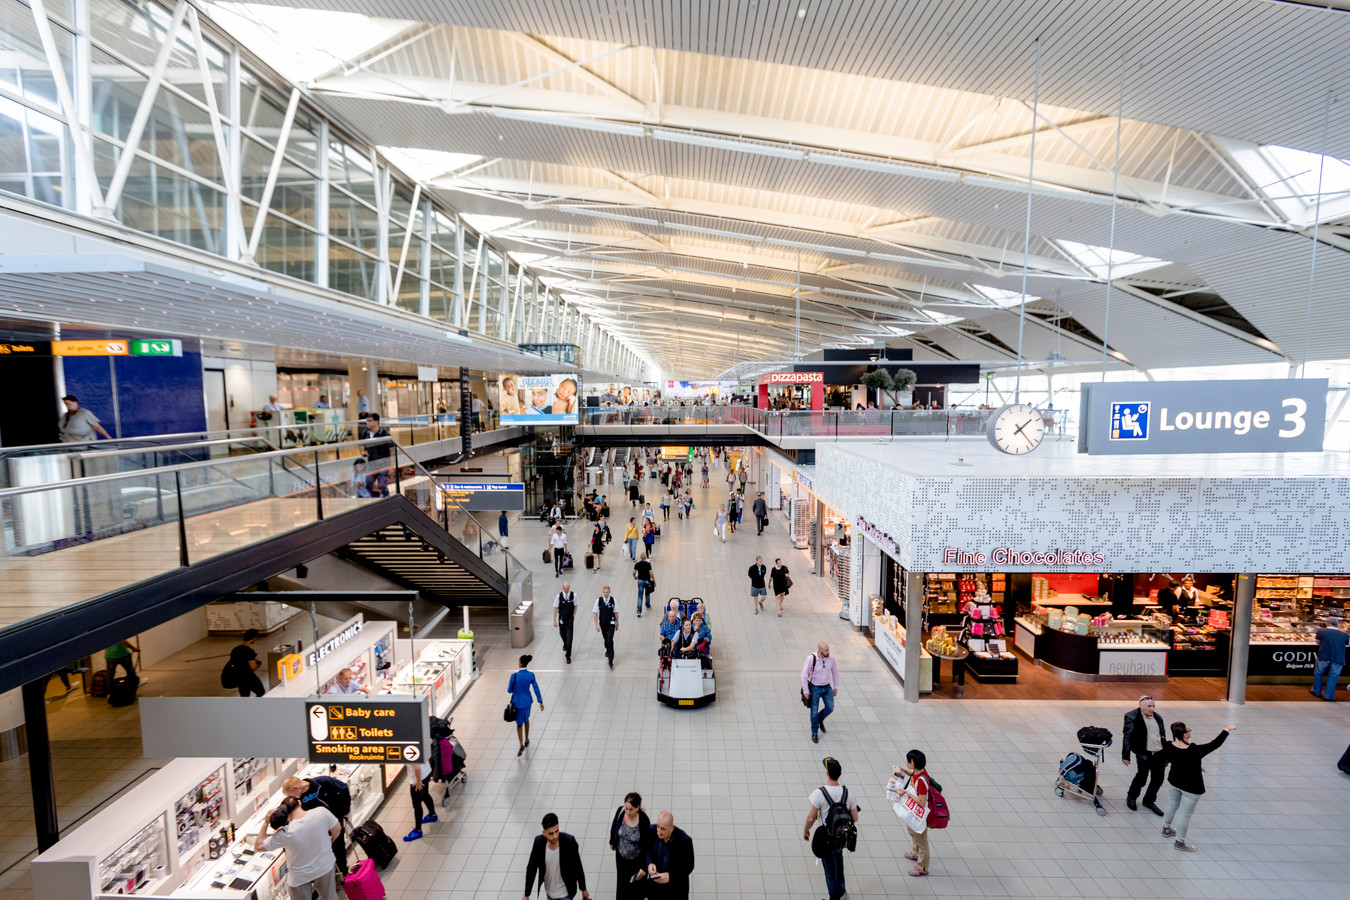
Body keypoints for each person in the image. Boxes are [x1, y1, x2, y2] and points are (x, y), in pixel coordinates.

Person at [1159, 721, 1238, 851]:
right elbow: (1215, 744)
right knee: (1185, 814)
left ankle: (1166, 828)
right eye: (1188, 730)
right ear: (1184, 735)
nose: (1190, 731)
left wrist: (1195, 765)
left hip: (1174, 781)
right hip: (1191, 787)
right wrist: (1227, 729)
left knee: (1172, 803)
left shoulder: (1168, 746)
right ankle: (1179, 842)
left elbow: (1168, 758)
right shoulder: (1195, 751)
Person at [255, 797, 341, 900]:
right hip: (325, 866)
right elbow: (337, 829)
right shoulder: (321, 812)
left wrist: (266, 822)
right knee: (330, 897)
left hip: (299, 876)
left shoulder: (286, 833)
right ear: (299, 803)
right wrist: (330, 841)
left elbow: (258, 847)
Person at [803, 756, 860, 899]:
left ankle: (835, 897)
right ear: (840, 774)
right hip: (841, 836)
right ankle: (841, 893)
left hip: (826, 838)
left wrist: (806, 830)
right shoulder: (848, 793)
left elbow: (811, 817)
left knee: (830, 872)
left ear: (827, 773)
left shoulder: (819, 793)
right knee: (839, 864)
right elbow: (855, 818)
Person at [282, 774, 351, 879]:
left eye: (291, 794)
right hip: (316, 830)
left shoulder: (322, 782)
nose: (292, 798)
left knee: (339, 847)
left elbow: (344, 788)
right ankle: (330, 876)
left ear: (296, 788)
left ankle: (344, 873)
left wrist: (345, 810)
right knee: (322, 853)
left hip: (333, 822)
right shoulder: (298, 799)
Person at [524, 812, 589, 900]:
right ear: (544, 833)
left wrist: (583, 889)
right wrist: (527, 894)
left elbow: (577, 866)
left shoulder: (569, 842)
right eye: (551, 833)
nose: (555, 836)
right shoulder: (538, 843)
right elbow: (531, 868)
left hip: (565, 893)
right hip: (550, 892)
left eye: (557, 831)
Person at [1122, 695, 1167, 815]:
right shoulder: (1131, 717)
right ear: (1140, 706)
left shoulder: (1158, 717)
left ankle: (1149, 800)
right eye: (1149, 706)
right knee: (1142, 777)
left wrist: (1166, 755)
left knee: (1158, 779)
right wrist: (1125, 755)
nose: (1152, 709)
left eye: (1153, 706)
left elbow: (1162, 736)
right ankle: (1132, 796)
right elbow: (1127, 737)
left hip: (1159, 753)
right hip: (1144, 754)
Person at [609, 792, 652, 900]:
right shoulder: (620, 811)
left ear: (638, 807)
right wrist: (612, 841)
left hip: (636, 860)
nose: (627, 812)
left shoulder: (644, 821)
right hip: (621, 857)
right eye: (626, 808)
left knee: (636, 886)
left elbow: (647, 845)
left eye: (630, 809)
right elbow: (615, 825)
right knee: (622, 884)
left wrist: (644, 867)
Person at [645, 811, 694, 900]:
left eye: (663, 829)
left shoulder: (684, 841)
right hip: (655, 888)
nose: (659, 832)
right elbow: (647, 849)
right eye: (658, 826)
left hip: (675, 889)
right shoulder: (651, 831)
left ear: (672, 828)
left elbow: (688, 867)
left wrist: (670, 876)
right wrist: (650, 863)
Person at [895, 750, 930, 876]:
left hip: (919, 814)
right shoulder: (918, 771)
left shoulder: (922, 781)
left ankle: (923, 867)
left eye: (909, 761)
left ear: (914, 763)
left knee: (921, 840)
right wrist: (904, 771)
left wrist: (906, 792)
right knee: (912, 832)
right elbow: (912, 775)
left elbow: (921, 801)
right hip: (912, 811)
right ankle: (915, 853)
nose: (907, 762)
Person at [801, 642, 840, 743]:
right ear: (820, 650)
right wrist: (806, 690)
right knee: (814, 711)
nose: (828, 652)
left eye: (828, 650)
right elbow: (804, 674)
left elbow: (835, 672)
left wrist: (835, 687)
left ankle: (819, 719)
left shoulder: (831, 658)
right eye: (826, 650)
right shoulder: (811, 659)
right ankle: (814, 732)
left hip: (827, 687)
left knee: (830, 708)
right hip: (815, 688)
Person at [509, 655, 544, 756]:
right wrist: (540, 701)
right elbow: (536, 689)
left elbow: (509, 690)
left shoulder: (514, 676)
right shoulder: (531, 675)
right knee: (526, 719)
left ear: (520, 663)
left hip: (517, 702)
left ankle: (521, 744)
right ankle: (527, 739)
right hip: (528, 701)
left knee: (519, 724)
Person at [1312, 619, 1348, 701]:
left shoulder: (1321, 631)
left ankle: (1316, 691)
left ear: (1327, 623)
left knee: (1318, 673)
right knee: (1333, 677)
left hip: (1323, 655)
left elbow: (1317, 642)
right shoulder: (1345, 635)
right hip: (1338, 658)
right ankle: (1328, 696)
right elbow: (1345, 647)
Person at [223, 628, 265, 697]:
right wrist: (259, 663)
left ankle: (245, 707)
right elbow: (253, 667)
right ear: (253, 638)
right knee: (260, 692)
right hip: (248, 677)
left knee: (245, 696)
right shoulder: (249, 651)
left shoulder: (235, 649)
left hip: (239, 678)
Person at [358, 414, 392, 497]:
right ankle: (372, 501)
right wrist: (363, 451)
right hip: (371, 464)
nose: (367, 423)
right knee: (368, 484)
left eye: (370, 421)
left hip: (383, 465)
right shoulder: (365, 433)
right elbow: (362, 444)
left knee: (382, 485)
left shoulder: (384, 434)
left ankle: (387, 499)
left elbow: (392, 451)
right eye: (366, 421)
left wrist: (391, 467)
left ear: (376, 422)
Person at [403, 760, 437, 842]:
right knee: (425, 795)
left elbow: (417, 767)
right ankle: (432, 815)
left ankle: (418, 831)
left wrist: (418, 781)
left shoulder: (410, 748)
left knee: (417, 805)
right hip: (426, 771)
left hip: (418, 779)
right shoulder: (418, 746)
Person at [594, 586, 619, 669]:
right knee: (606, 639)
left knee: (610, 640)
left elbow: (616, 612)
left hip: (611, 623)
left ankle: (610, 660)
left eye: (607, 592)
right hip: (603, 623)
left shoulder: (613, 601)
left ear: (609, 592)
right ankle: (607, 649)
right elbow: (595, 612)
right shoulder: (599, 601)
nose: (606, 594)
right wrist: (596, 624)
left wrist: (617, 623)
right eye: (604, 592)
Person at [553, 582, 578, 664]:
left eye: (567, 588)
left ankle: (568, 656)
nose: (566, 590)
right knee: (562, 633)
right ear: (562, 588)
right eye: (565, 588)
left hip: (570, 619)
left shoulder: (573, 595)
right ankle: (565, 643)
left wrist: (573, 615)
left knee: (569, 637)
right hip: (562, 619)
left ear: (569, 587)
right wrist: (554, 620)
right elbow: (555, 608)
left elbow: (576, 606)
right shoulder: (559, 596)